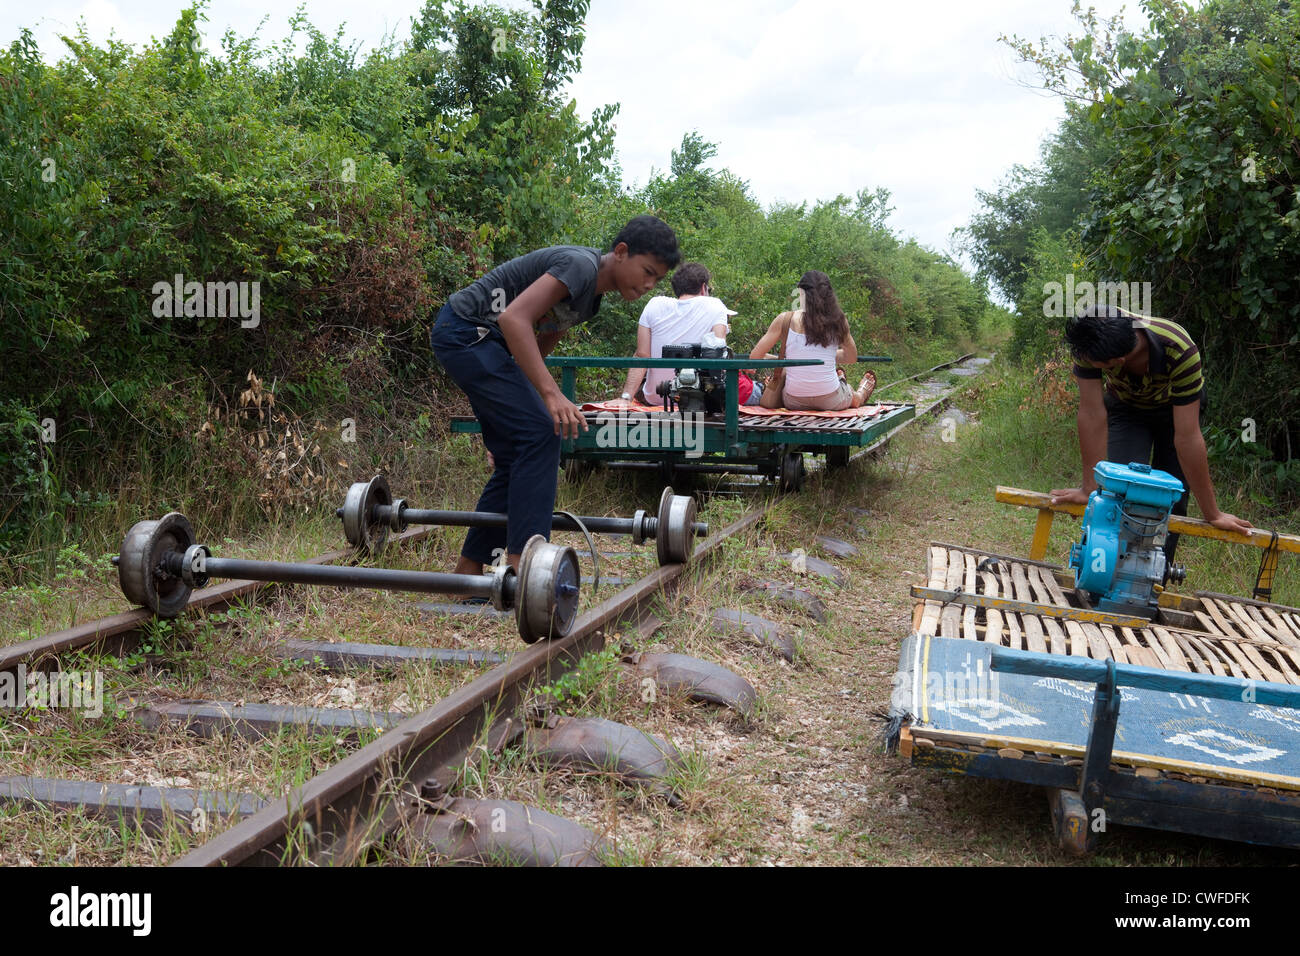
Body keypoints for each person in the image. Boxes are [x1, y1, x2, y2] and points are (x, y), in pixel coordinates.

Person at [430, 215, 680, 576]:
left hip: (481, 343)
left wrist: (518, 409)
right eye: (647, 271)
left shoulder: (591, 299)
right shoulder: (580, 267)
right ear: (622, 252)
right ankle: (522, 571)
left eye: (657, 279)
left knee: (518, 449)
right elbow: (514, 319)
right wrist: (550, 396)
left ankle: (468, 574)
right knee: (543, 432)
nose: (649, 285)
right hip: (467, 332)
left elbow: (541, 340)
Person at [1049, 304, 1251, 564]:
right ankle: (1110, 571)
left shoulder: (1179, 348)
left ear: (1117, 362)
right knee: (1118, 490)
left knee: (1171, 498)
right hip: (1127, 408)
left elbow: (1187, 437)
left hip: (1174, 411)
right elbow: (1091, 413)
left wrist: (1213, 513)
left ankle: (1154, 580)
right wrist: (1090, 487)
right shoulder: (1091, 338)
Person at [618, 262, 762, 405]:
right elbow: (717, 356)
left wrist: (626, 398)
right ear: (703, 287)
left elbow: (641, 356)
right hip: (699, 400)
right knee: (757, 389)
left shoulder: (654, 305)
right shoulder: (715, 305)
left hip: (657, 397)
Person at [748, 270, 875, 411]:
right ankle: (859, 394)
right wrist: (828, 357)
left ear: (801, 293)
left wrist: (777, 358)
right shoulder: (838, 321)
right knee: (850, 392)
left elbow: (754, 357)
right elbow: (851, 357)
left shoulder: (785, 320)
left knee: (794, 387)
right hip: (830, 400)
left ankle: (840, 380)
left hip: (793, 400)